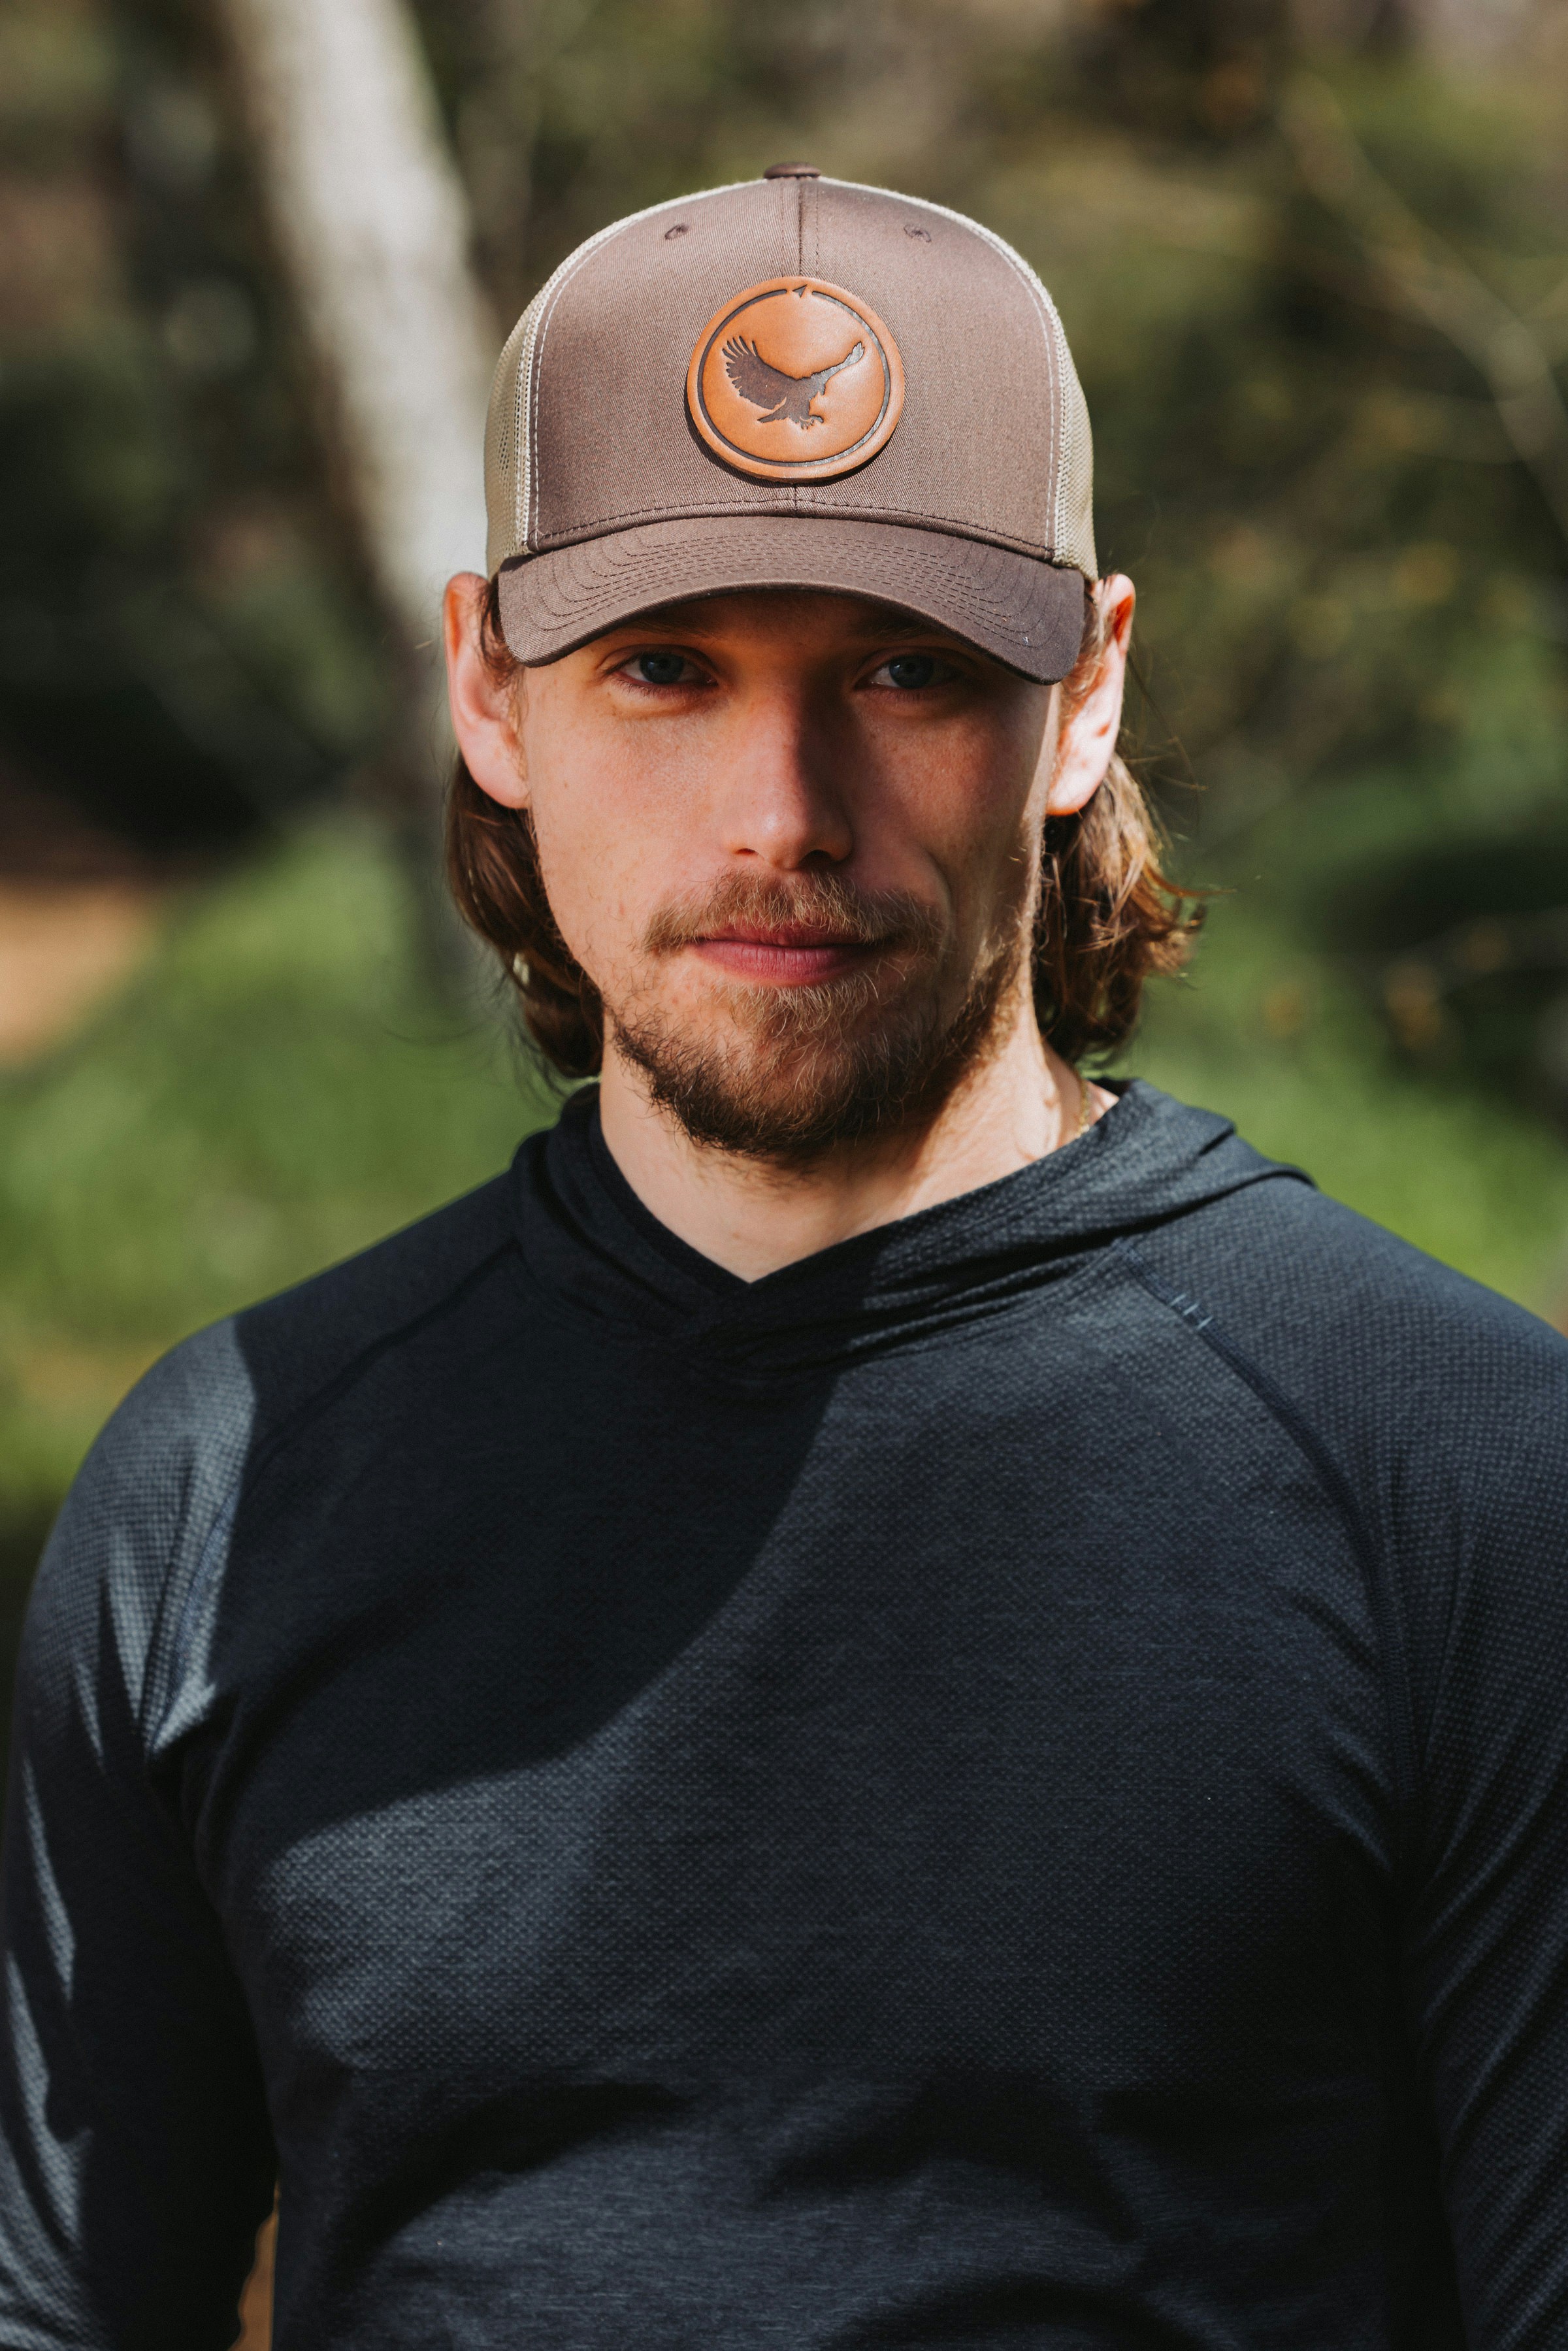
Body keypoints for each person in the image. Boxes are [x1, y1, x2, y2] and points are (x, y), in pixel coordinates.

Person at [1, 164, 1565, 2351]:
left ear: (1087, 696)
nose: (785, 808)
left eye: (909, 669)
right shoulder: (222, 1491)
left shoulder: (1468, 1484)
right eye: (663, 666)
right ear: (492, 688)